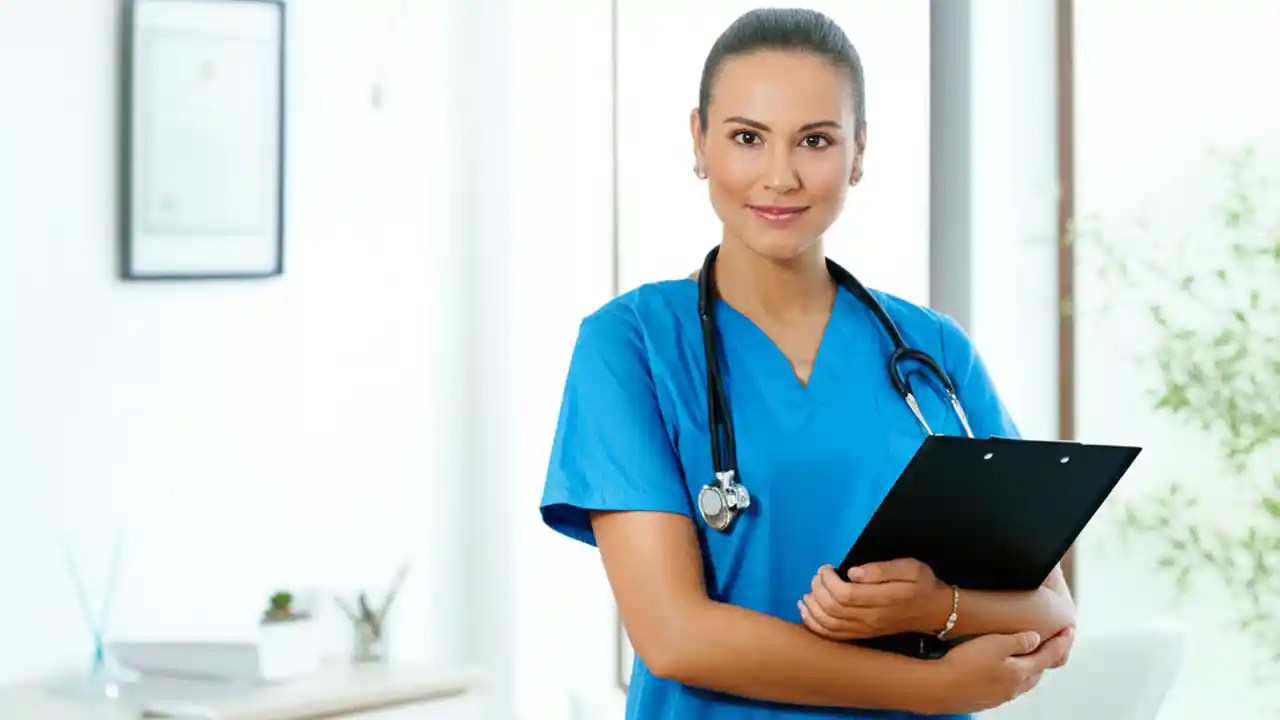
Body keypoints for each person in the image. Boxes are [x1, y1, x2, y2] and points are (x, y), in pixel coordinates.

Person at [540, 8, 1076, 719]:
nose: (780, 175)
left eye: (816, 140)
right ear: (699, 141)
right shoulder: (630, 345)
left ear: (858, 152)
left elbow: (1051, 608)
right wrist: (932, 686)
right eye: (747, 138)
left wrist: (936, 606)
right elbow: (674, 636)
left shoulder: (933, 351)